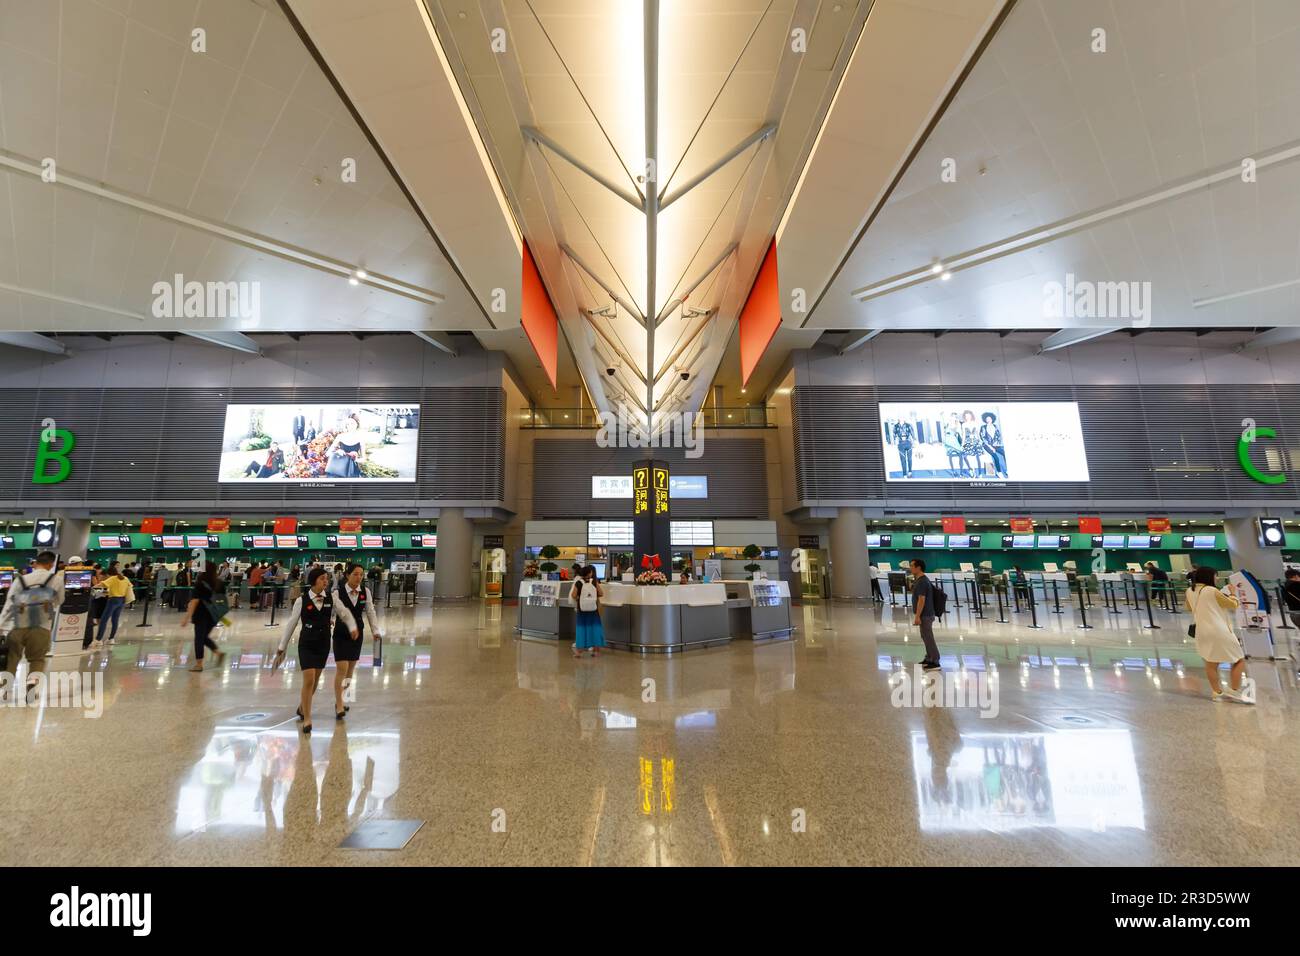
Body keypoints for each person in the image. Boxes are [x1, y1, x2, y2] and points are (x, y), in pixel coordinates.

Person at [273, 567, 334, 733]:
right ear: (314, 580)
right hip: (307, 643)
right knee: (308, 679)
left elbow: (340, 614)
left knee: (314, 681)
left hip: (323, 644)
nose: (326, 581)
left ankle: (302, 707)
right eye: (322, 578)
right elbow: (292, 623)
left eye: (326, 579)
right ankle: (307, 718)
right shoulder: (302, 600)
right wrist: (282, 646)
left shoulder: (330, 599)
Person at [0, 551, 64, 695]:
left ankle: (6, 687)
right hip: (41, 627)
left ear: (36, 563)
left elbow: (9, 604)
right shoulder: (57, 580)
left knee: (12, 657)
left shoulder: (20, 580)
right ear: (51, 564)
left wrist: (1, 625)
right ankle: (31, 685)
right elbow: (60, 600)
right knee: (37, 659)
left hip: (18, 626)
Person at [1185, 566, 1252, 703]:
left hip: (1202, 632)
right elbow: (1233, 604)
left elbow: (1189, 608)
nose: (1217, 578)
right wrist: (1233, 593)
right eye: (1216, 576)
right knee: (1239, 659)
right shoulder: (1212, 591)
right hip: (1219, 631)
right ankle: (1234, 690)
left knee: (1211, 663)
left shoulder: (1189, 591)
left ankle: (1217, 692)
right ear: (1209, 577)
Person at [332, 563, 383, 719]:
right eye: (355, 574)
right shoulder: (337, 593)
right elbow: (331, 610)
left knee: (350, 669)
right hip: (341, 633)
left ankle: (345, 699)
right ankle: (339, 703)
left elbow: (370, 612)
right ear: (347, 575)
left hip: (357, 635)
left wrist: (375, 631)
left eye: (361, 574)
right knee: (342, 667)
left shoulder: (365, 592)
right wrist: (329, 620)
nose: (359, 577)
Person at [181, 561, 228, 673]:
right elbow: (222, 599)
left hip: (201, 614)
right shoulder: (220, 583)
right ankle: (218, 653)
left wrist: (187, 617)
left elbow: (195, 600)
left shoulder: (200, 583)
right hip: (214, 615)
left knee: (199, 638)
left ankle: (199, 664)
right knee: (204, 637)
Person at [910, 558, 940, 672]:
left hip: (925, 614)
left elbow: (921, 600)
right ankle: (929, 658)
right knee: (925, 637)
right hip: (925, 614)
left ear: (918, 567)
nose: (910, 568)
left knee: (928, 637)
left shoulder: (922, 581)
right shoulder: (919, 580)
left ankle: (935, 660)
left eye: (912, 566)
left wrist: (917, 616)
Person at [572, 565, 606, 659]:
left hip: (582, 610)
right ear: (589, 573)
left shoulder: (578, 583)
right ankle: (596, 651)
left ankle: (579, 652)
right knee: (595, 629)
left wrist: (579, 598)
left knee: (581, 630)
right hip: (593, 610)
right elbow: (601, 593)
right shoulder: (594, 582)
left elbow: (573, 595)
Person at [95, 564, 134, 644]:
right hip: (122, 600)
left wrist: (92, 589)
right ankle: (111, 639)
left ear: (108, 574)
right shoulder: (125, 578)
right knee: (115, 620)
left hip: (113, 600)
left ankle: (98, 640)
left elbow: (101, 586)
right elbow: (130, 586)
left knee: (103, 620)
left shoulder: (112, 578)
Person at [84, 565, 108, 650]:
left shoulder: (104, 583)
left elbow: (101, 594)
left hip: (101, 604)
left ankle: (99, 638)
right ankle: (98, 638)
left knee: (100, 621)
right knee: (98, 621)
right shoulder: (100, 583)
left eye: (100, 574)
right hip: (97, 604)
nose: (99, 576)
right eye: (98, 573)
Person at [979, 411, 1007, 478]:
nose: (988, 420)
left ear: (992, 419)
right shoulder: (983, 427)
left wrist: (997, 445)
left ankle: (1007, 470)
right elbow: (983, 438)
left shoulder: (995, 426)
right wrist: (991, 447)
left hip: (996, 445)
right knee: (996, 457)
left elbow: (998, 436)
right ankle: (999, 472)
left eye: (990, 418)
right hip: (987, 445)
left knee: (1004, 453)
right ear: (985, 420)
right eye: (987, 419)